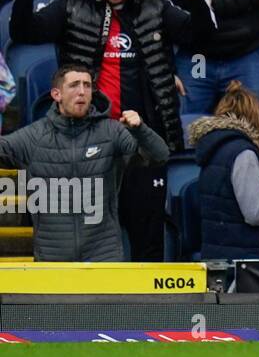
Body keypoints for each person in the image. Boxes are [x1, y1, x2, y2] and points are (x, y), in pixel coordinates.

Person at [11, 0, 216, 260]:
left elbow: (203, 38)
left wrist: (197, 0)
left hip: (139, 141)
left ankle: (146, 310)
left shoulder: (156, 9)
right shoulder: (70, 9)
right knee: (86, 239)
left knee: (147, 235)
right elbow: (23, 32)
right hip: (88, 142)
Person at [0, 64, 168, 261]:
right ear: (56, 94)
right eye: (74, 85)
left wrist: (140, 129)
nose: (82, 91)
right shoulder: (33, 137)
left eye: (87, 85)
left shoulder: (111, 131)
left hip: (103, 256)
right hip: (52, 258)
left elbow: (160, 155)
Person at [191, 80, 259, 260]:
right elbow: (255, 214)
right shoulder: (243, 153)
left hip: (217, 256)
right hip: (243, 261)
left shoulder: (213, 148)